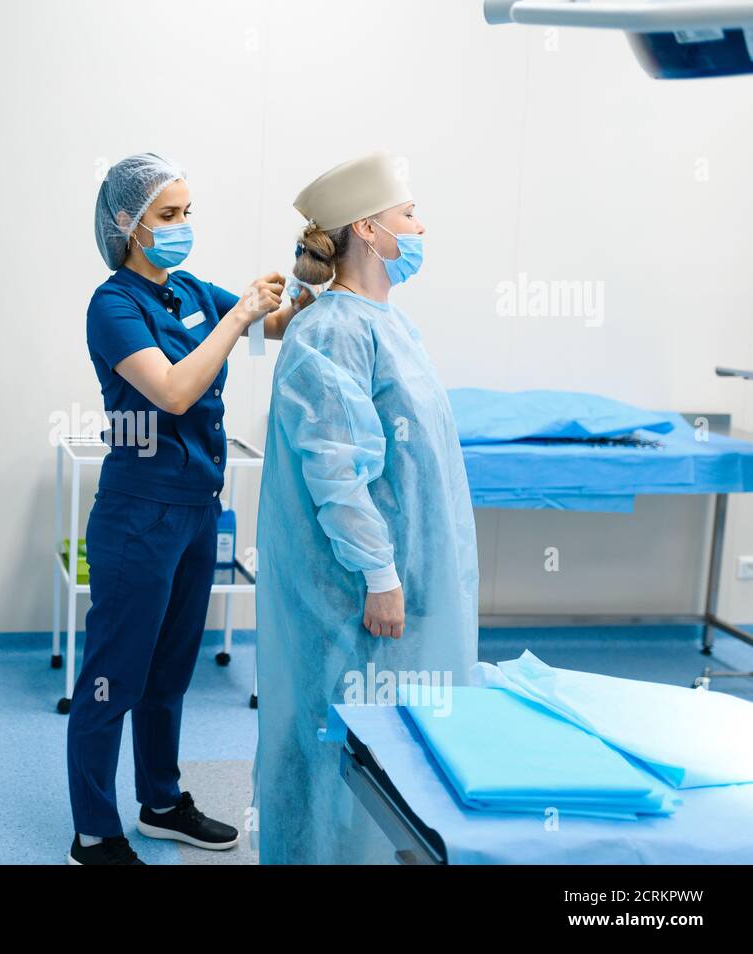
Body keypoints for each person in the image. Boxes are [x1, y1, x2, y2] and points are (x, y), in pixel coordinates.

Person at [69, 152, 301, 865]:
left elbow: (276, 324)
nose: (182, 227)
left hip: (199, 507)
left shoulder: (190, 289)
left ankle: (162, 802)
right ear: (128, 226)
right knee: (114, 677)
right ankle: (94, 833)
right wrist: (236, 318)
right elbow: (172, 391)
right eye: (168, 217)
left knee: (171, 672)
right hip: (139, 512)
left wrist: (323, 277)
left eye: (187, 214)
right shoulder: (113, 306)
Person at [253, 152, 479, 864]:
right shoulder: (331, 333)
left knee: (395, 746)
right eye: (408, 214)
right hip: (351, 595)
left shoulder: (387, 325)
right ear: (368, 230)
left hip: (405, 580)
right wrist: (379, 574)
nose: (420, 226)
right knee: (335, 735)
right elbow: (338, 473)